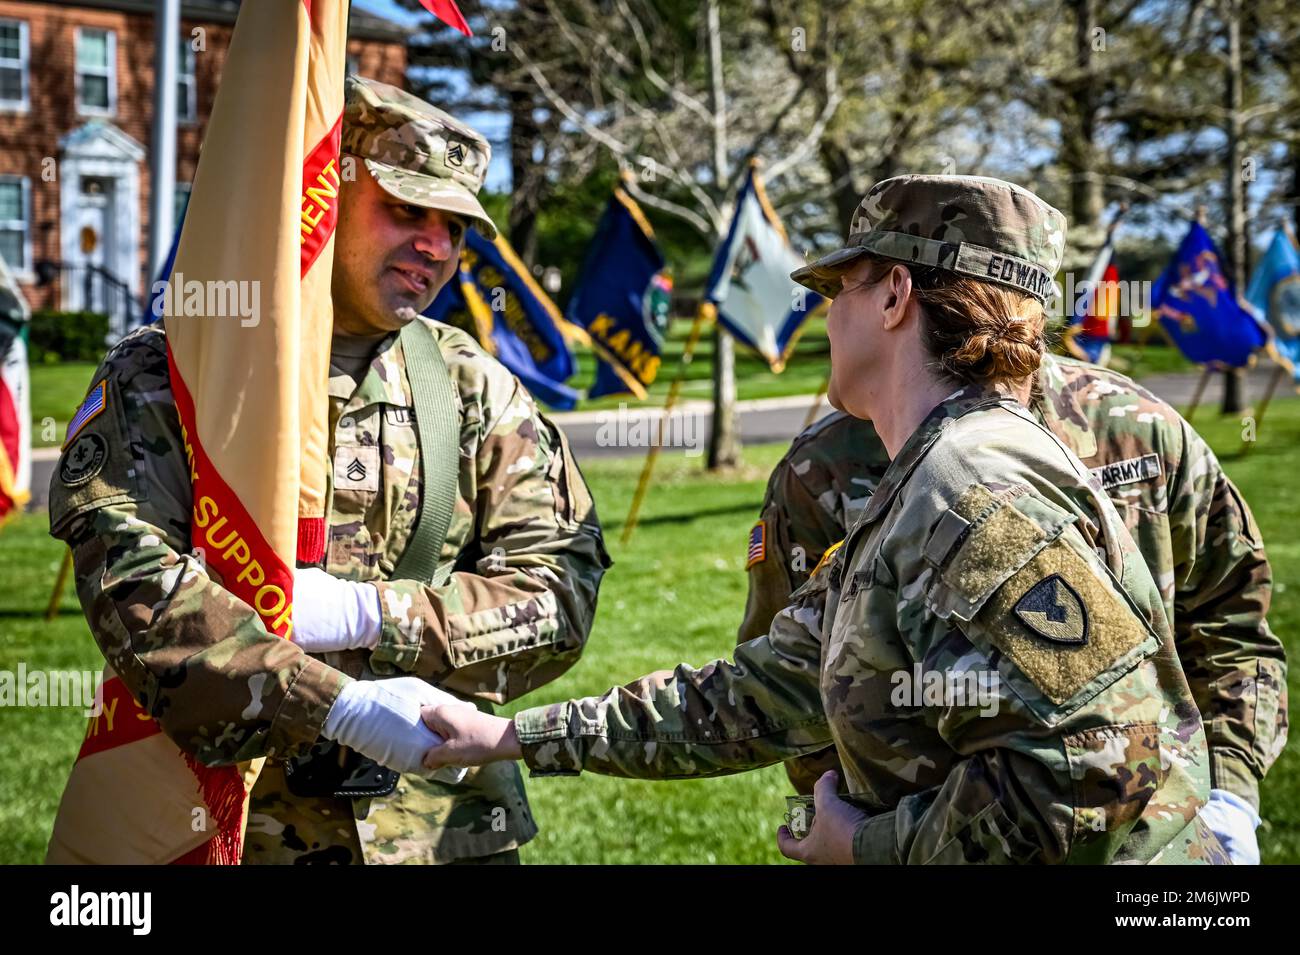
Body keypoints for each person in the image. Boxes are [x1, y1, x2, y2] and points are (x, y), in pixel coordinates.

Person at [420, 174, 1230, 865]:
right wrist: (510, 736)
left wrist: (871, 845)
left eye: (839, 288)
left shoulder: (968, 483)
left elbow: (1098, 769)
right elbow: (762, 689)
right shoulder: (928, 470)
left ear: (895, 295)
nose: (823, 314)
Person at [46, 76, 609, 865]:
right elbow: (135, 589)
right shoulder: (174, 374)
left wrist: (372, 615)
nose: (437, 246)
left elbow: (561, 593)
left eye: (453, 225)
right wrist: (334, 705)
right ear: (321, 193)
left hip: (439, 833)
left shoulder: (472, 385)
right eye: (406, 209)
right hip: (234, 828)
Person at [739, 353, 1287, 864]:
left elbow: (1228, 621)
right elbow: (787, 679)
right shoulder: (823, 470)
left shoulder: (1139, 428)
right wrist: (863, 835)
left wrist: (1231, 798)